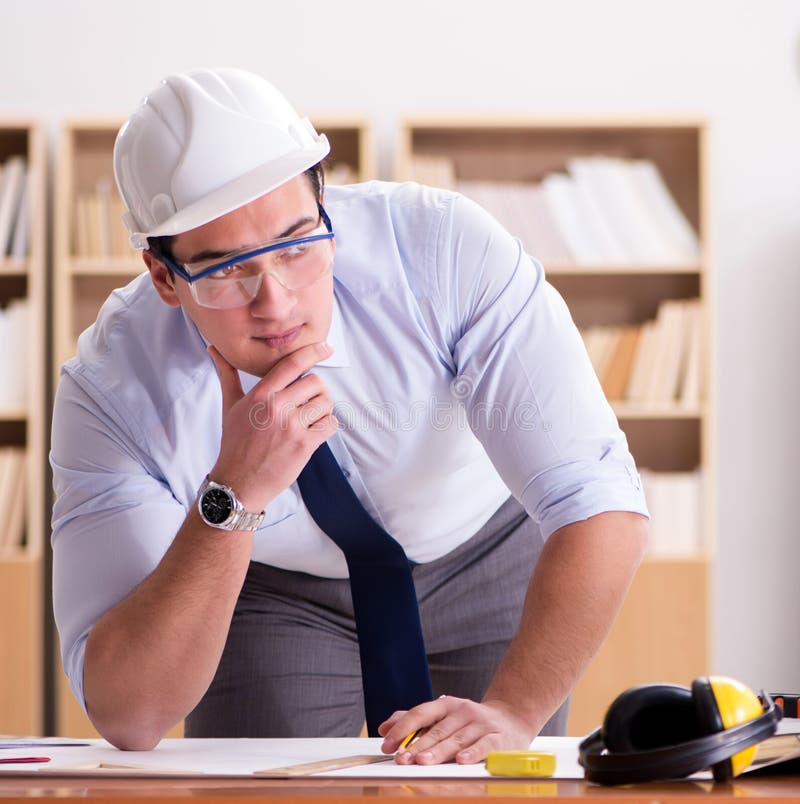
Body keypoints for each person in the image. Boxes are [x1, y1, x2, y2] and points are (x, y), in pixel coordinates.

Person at [51, 67, 649, 763]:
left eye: (296, 244)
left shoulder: (441, 250)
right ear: (163, 278)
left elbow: (600, 503)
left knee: (490, 777)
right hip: (264, 583)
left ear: (326, 210)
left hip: (481, 548)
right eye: (224, 269)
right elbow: (129, 712)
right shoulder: (112, 385)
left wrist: (514, 711)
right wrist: (233, 493)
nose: (274, 301)